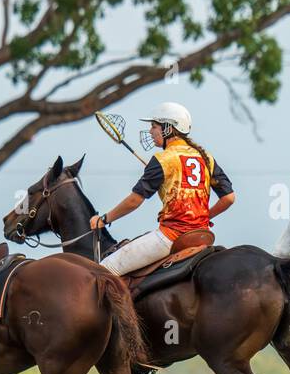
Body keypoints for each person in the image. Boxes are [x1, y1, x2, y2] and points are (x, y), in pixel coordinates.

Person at [89, 103, 235, 275]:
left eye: (154, 126)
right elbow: (229, 198)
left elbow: (134, 200)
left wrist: (104, 219)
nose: (150, 131)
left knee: (103, 271)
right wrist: (203, 217)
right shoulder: (206, 158)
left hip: (171, 236)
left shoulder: (163, 159)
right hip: (202, 235)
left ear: (168, 128)